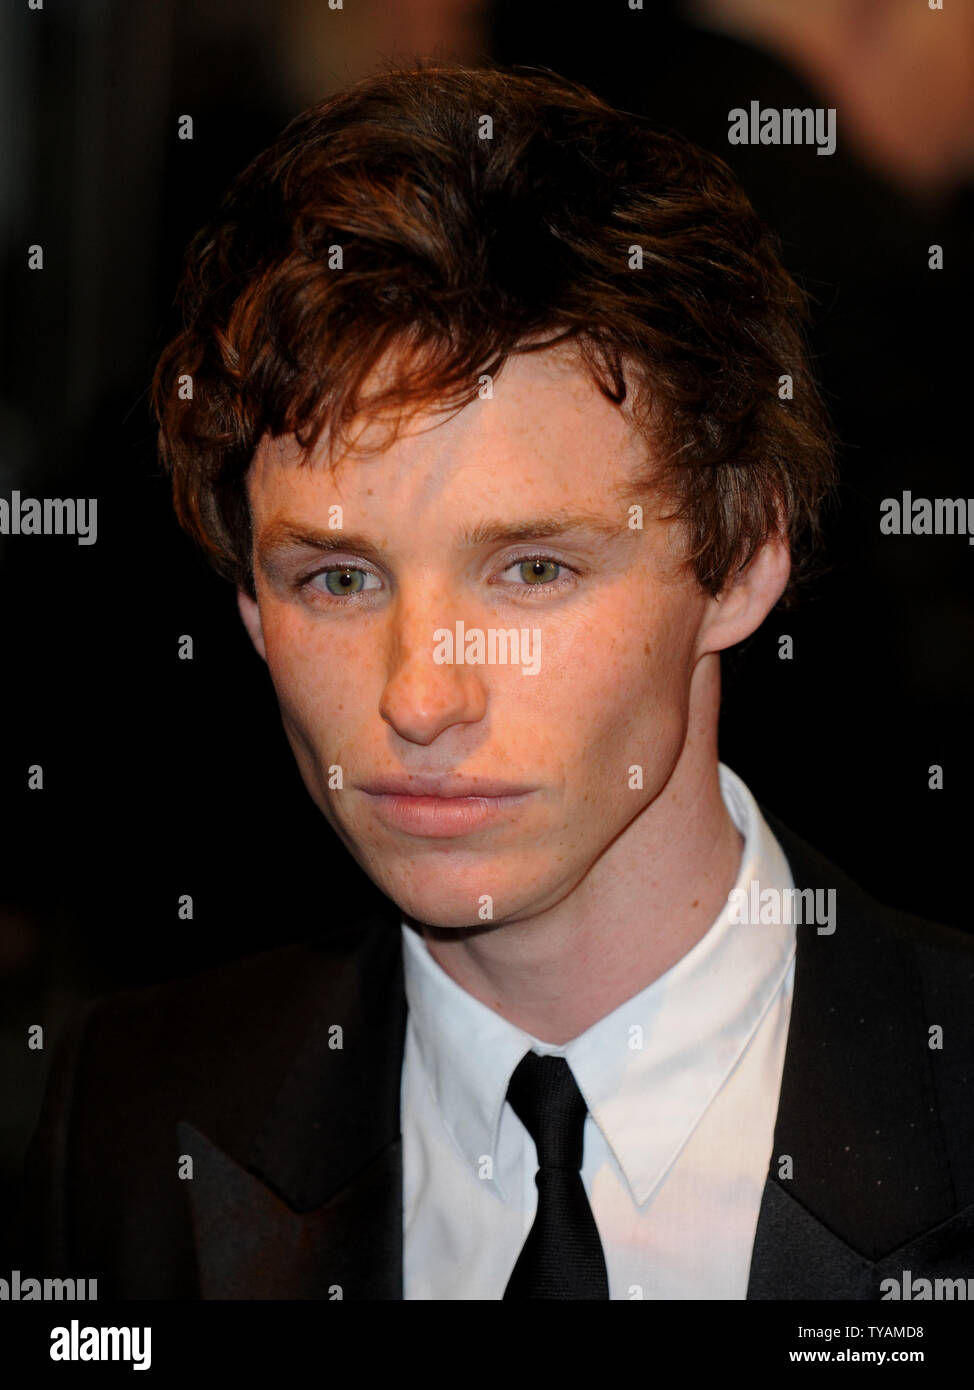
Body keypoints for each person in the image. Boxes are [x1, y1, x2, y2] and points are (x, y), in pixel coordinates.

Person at [24, 61, 974, 1300]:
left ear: (741, 559)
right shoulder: (134, 1124)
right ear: (250, 608)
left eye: (530, 568)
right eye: (338, 580)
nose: (420, 697)